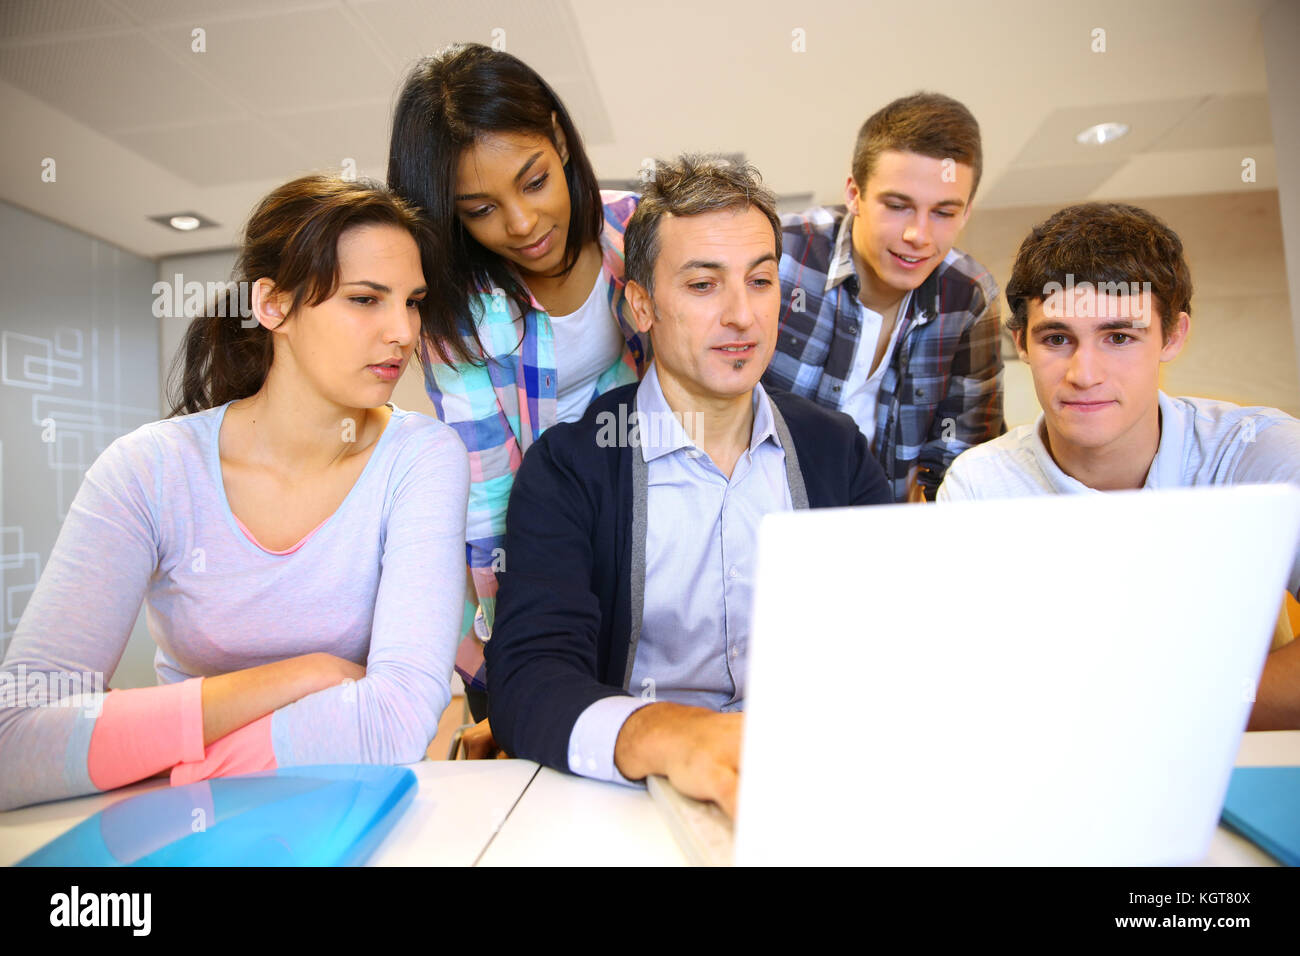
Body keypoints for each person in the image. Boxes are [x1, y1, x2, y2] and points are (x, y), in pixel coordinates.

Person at [0, 175, 470, 811]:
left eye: (412, 301)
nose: (402, 331)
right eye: (366, 300)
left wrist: (164, 762)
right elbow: (15, 740)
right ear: (273, 306)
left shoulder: (421, 458)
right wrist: (305, 675)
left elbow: (395, 720)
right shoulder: (149, 469)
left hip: (364, 814)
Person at [485, 156, 892, 817]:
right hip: (639, 794)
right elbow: (528, 678)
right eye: (704, 286)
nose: (742, 316)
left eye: (760, 282)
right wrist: (668, 734)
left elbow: (896, 635)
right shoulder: (568, 468)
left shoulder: (835, 450)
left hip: (816, 784)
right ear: (641, 305)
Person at [937, 201, 1300, 730]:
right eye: (1057, 338)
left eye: (1119, 337)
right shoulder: (981, 485)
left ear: (1172, 336)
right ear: (1022, 343)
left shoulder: (1256, 453)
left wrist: (1151, 706)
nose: (1085, 374)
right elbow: (969, 685)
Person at [388, 44, 650, 748]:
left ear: (560, 141)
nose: (523, 224)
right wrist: (519, 666)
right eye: (481, 209)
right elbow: (491, 496)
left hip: (639, 517)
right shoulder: (457, 314)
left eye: (534, 181)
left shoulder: (637, 236)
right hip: (535, 547)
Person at [763, 92, 1004, 502]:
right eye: (898, 206)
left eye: (944, 213)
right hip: (764, 517)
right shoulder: (778, 256)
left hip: (885, 532)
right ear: (854, 193)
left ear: (966, 212)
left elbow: (962, 458)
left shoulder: (969, 298)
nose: (919, 236)